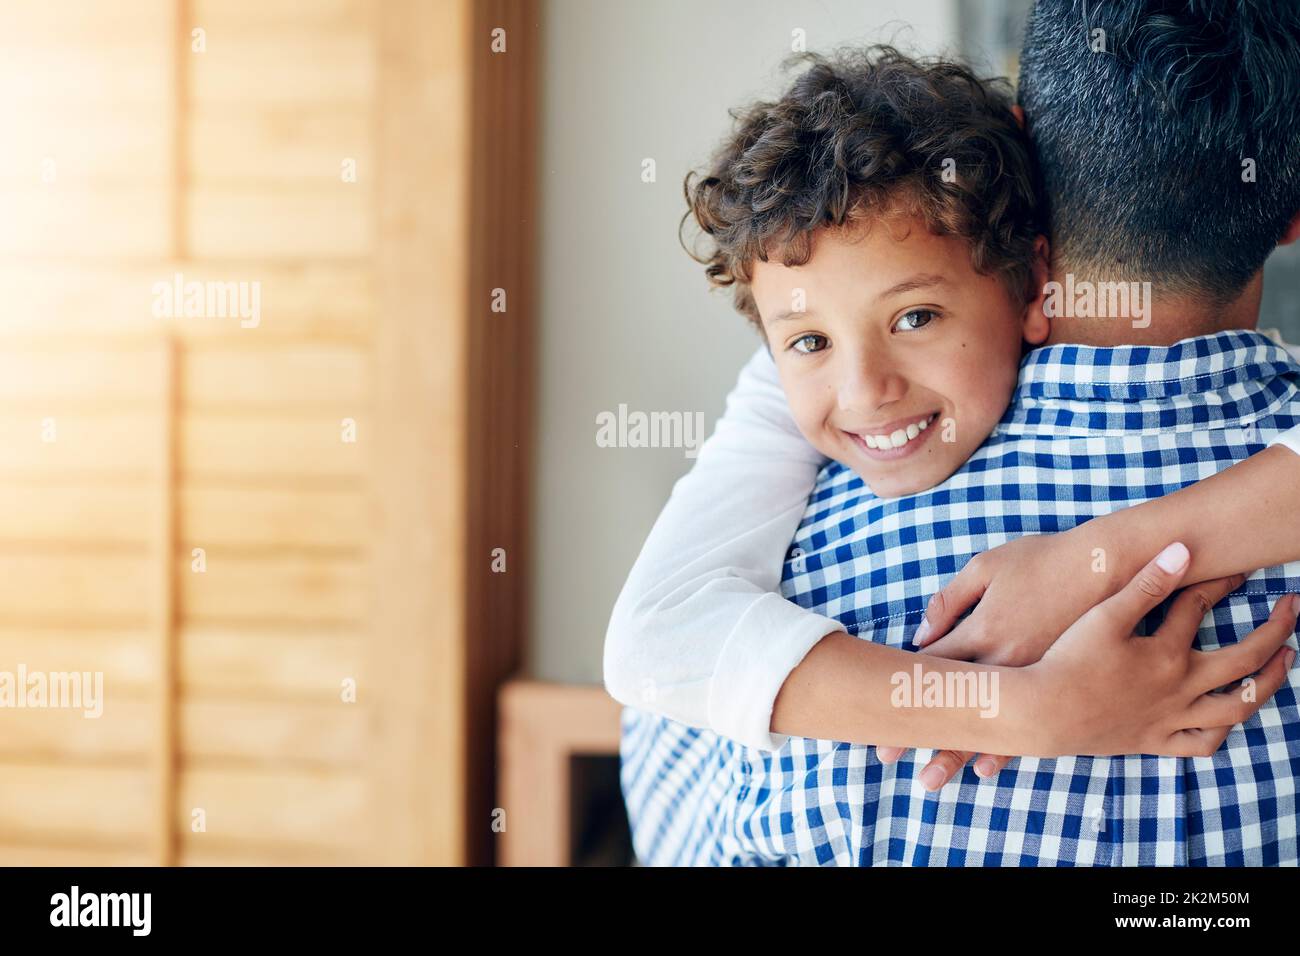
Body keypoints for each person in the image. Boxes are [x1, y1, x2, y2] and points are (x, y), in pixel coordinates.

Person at [609, 0, 1300, 865]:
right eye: (808, 343)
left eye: (918, 315)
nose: (865, 389)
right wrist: (1033, 711)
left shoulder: (805, 566)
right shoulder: (813, 399)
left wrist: (1106, 557)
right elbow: (650, 642)